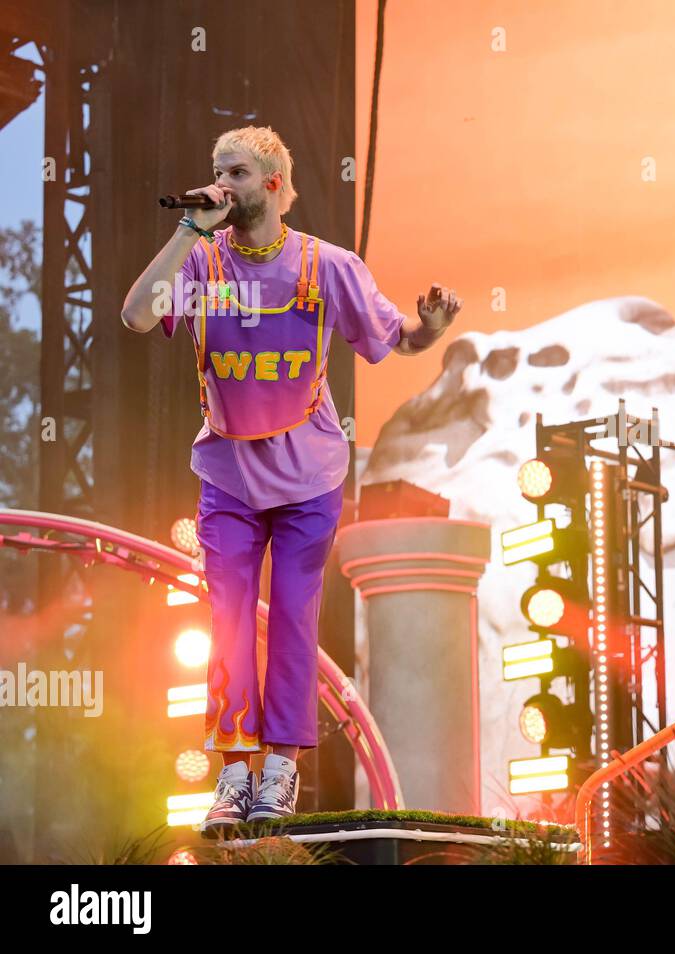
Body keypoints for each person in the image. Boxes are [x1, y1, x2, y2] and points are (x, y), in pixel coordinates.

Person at [120, 126, 462, 833]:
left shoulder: (326, 265)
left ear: (273, 184)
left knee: (295, 621)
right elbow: (136, 314)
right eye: (215, 171)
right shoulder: (202, 263)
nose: (221, 184)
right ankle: (234, 771)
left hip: (309, 477)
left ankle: (280, 769)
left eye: (236, 173)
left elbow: (395, 337)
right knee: (227, 622)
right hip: (226, 475)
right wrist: (188, 229)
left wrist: (430, 328)